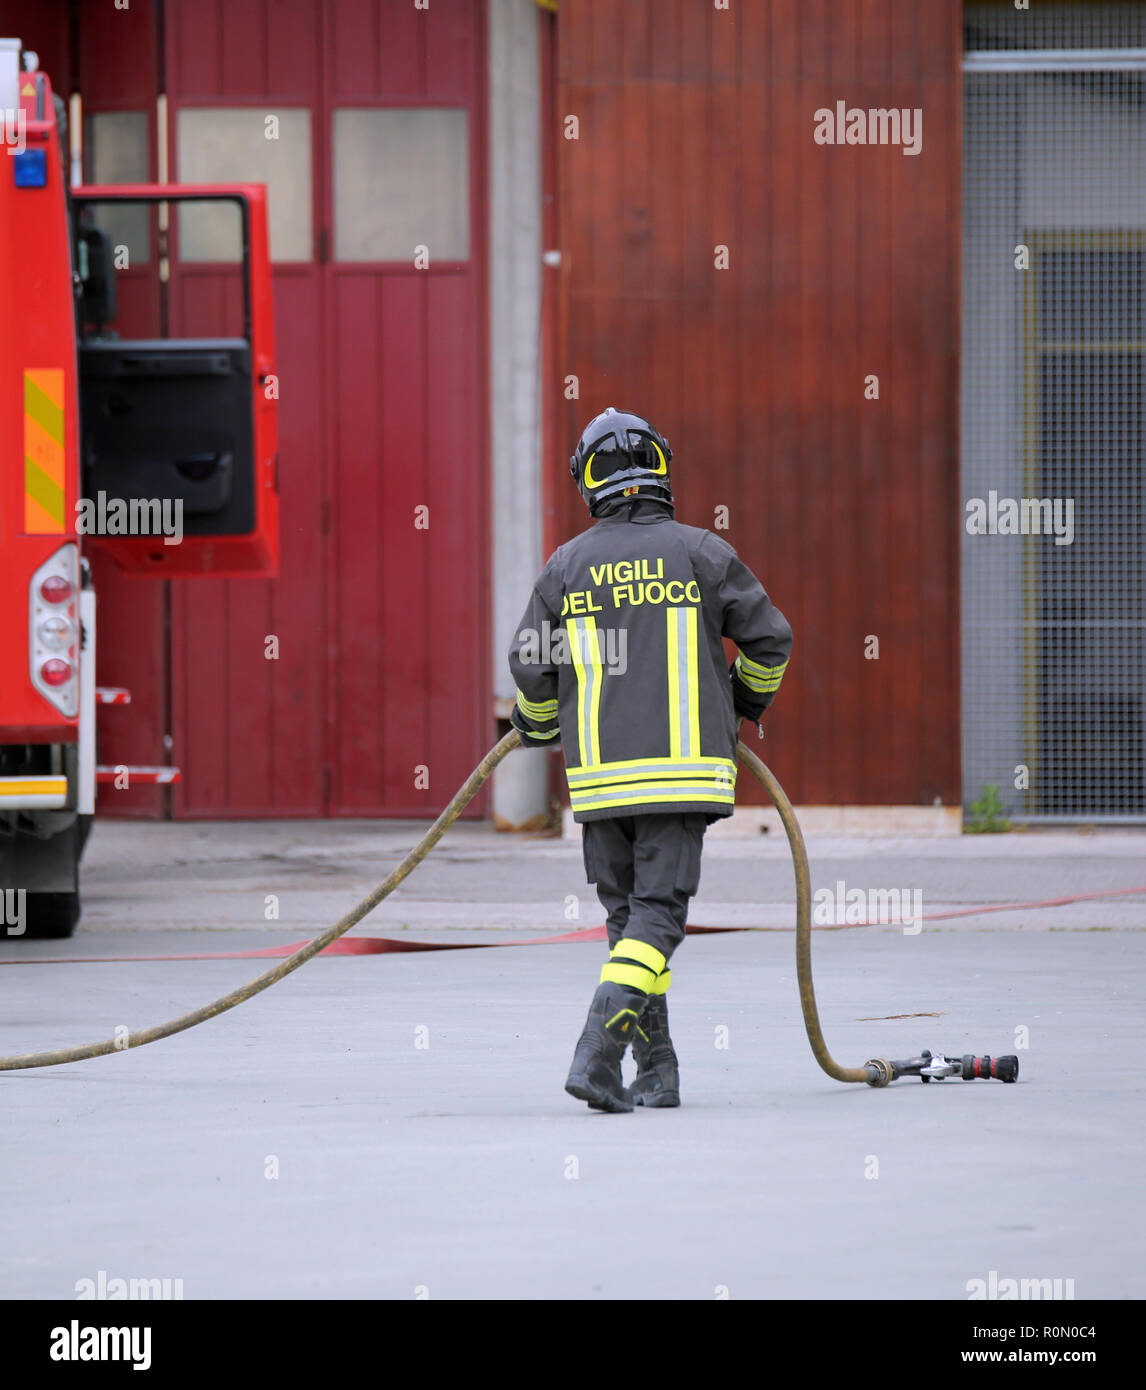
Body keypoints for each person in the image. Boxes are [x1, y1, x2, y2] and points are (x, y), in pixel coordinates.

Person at [508, 408, 792, 1112]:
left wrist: (539, 725)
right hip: (682, 774)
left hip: (603, 784)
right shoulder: (701, 553)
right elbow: (770, 644)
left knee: (628, 918)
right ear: (661, 470)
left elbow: (531, 666)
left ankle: (657, 1069)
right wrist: (742, 707)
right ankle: (599, 1051)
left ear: (590, 482)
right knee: (658, 918)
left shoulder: (566, 565)